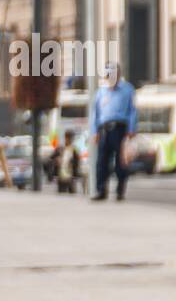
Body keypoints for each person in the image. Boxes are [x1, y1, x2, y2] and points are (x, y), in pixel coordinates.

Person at [90, 61, 137, 201]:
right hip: (104, 129)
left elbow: (133, 111)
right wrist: (94, 132)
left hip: (120, 129)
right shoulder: (100, 92)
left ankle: (119, 191)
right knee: (102, 162)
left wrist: (131, 129)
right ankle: (101, 190)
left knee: (121, 162)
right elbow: (95, 113)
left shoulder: (128, 90)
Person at [56, 130, 80, 195]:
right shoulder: (60, 148)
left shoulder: (74, 149)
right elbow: (51, 158)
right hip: (61, 176)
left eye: (71, 138)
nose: (70, 140)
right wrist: (57, 160)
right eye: (68, 137)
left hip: (70, 176)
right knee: (61, 195)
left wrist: (75, 175)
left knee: (72, 195)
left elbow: (77, 163)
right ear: (65, 138)